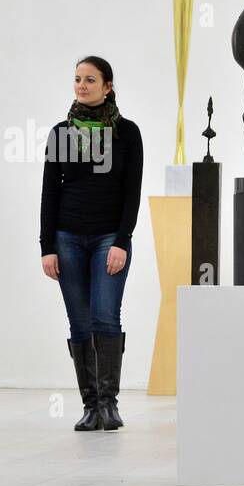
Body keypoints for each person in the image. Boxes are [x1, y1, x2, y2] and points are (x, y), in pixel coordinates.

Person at [40, 56, 143, 431]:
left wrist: (122, 241)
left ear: (108, 86)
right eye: (77, 80)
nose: (82, 86)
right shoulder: (61, 132)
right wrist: (46, 247)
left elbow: (132, 193)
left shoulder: (127, 133)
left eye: (90, 80)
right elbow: (49, 193)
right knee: (79, 321)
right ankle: (90, 406)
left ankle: (109, 405)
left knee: (105, 315)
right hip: (67, 238)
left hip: (108, 239)